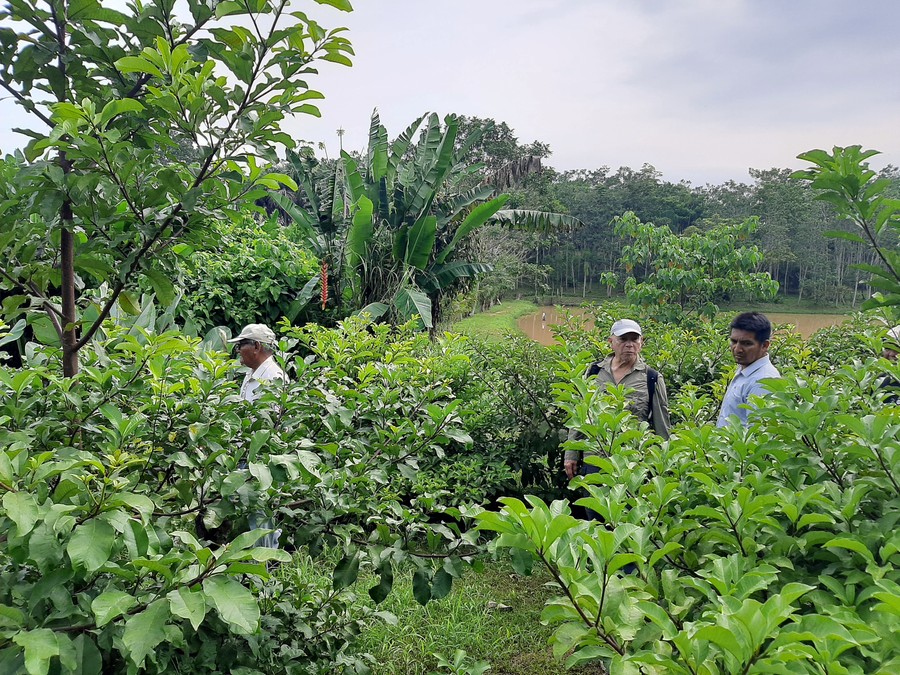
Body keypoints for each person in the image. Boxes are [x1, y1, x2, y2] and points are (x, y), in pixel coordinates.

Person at [564, 319, 671, 481]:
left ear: (641, 342)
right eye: (623, 339)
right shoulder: (594, 372)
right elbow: (581, 414)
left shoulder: (652, 377)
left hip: (633, 462)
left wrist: (663, 464)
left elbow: (661, 425)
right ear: (611, 342)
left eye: (634, 339)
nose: (629, 345)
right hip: (595, 458)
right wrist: (571, 453)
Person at [227, 323, 287, 548]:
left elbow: (272, 425)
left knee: (261, 512)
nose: (237, 350)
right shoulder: (252, 374)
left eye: (241, 345)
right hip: (247, 453)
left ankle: (266, 559)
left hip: (262, 457)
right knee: (252, 510)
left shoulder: (274, 377)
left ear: (256, 347)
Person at [716, 312, 782, 428]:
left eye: (746, 344)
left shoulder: (763, 381)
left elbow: (757, 432)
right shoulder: (745, 368)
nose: (737, 349)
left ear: (765, 345)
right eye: (734, 341)